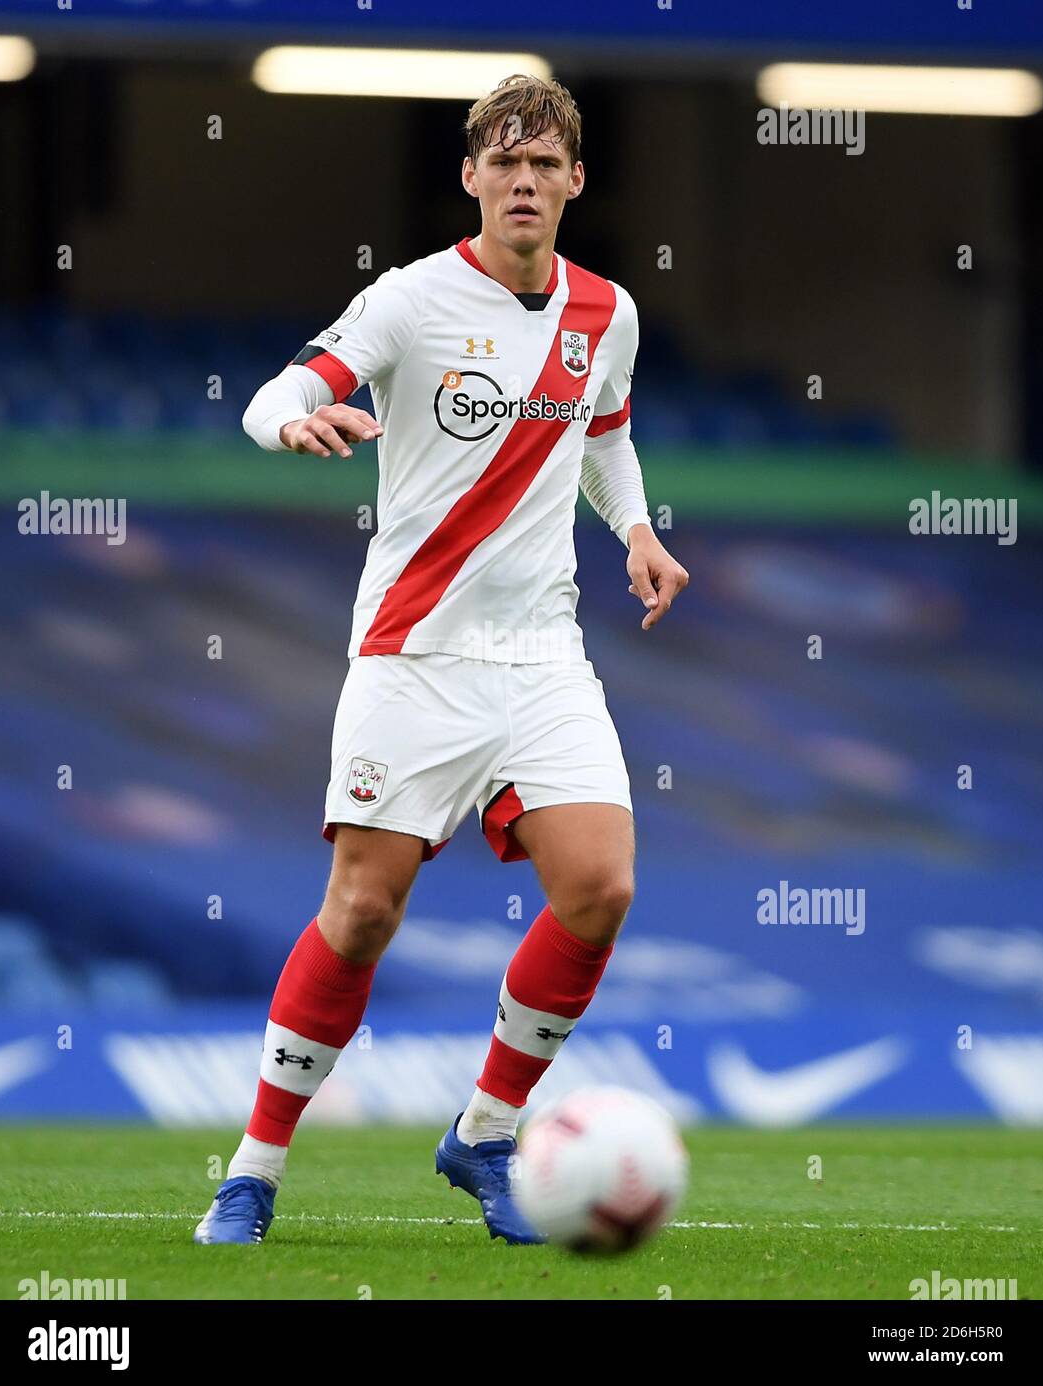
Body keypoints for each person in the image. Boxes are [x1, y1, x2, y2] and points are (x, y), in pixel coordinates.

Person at [195, 73, 688, 1246]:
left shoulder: (604, 312)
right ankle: (252, 1173)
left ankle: (482, 1134)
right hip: (412, 656)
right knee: (363, 913)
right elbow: (279, 391)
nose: (523, 182)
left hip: (544, 658)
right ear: (470, 177)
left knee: (601, 886)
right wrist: (291, 421)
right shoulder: (411, 301)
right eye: (501, 163)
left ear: (574, 181)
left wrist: (635, 528)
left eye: (544, 164)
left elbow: (603, 429)